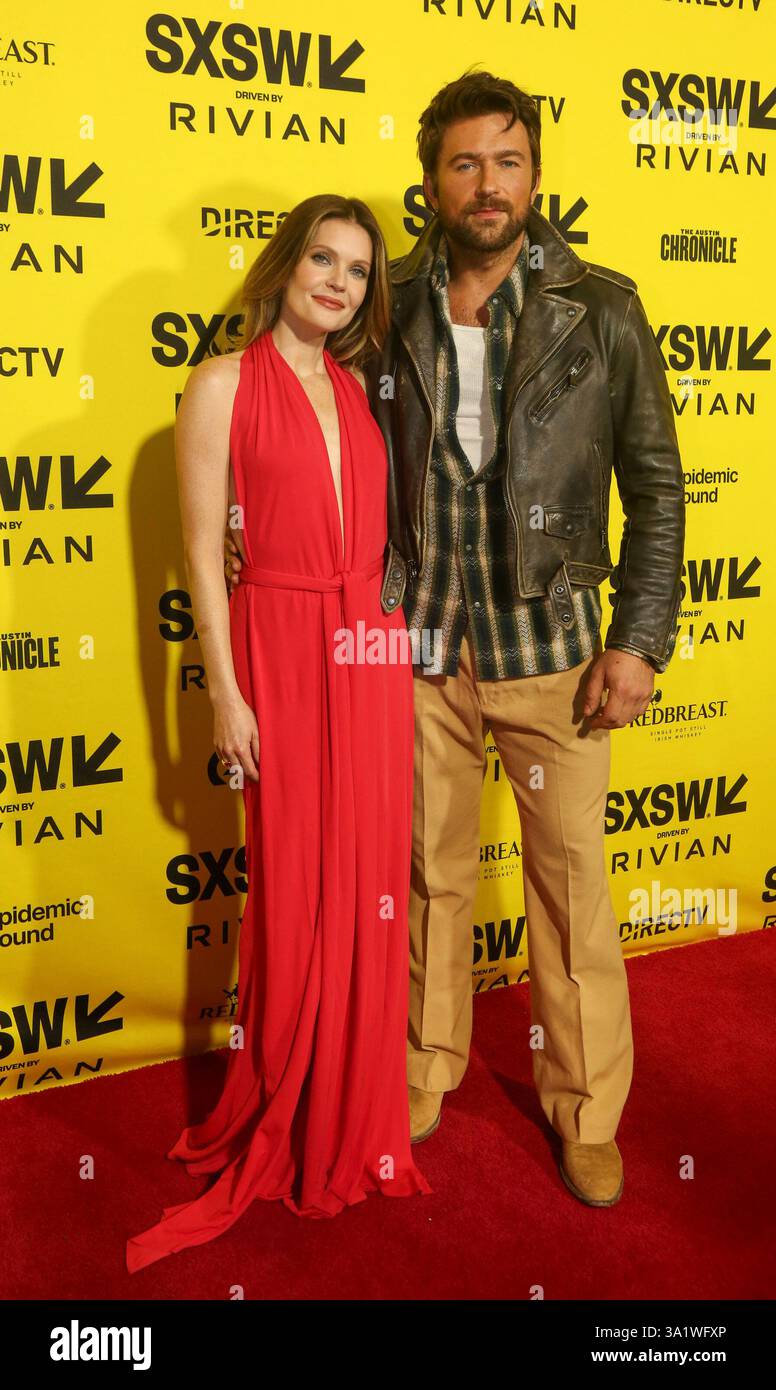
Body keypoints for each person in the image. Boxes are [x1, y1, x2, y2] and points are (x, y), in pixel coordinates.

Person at [227, 69, 686, 1211]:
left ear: (535, 174)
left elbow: (657, 487)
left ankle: (586, 1112)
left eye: (507, 161)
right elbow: (307, 422)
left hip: (553, 650)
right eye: (464, 163)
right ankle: (422, 1068)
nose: (488, 184)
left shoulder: (601, 307)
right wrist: (244, 524)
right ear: (431, 179)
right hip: (417, 648)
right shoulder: (386, 305)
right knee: (424, 878)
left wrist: (637, 639)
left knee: (570, 895)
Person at [126, 195, 431, 1275]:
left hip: (371, 652)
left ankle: (355, 1115)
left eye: (358, 269)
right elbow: (202, 559)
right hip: (283, 649)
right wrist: (225, 693)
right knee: (296, 890)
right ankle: (288, 1109)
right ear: (285, 265)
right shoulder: (219, 386)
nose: (339, 282)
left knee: (366, 885)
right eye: (322, 259)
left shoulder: (357, 388)